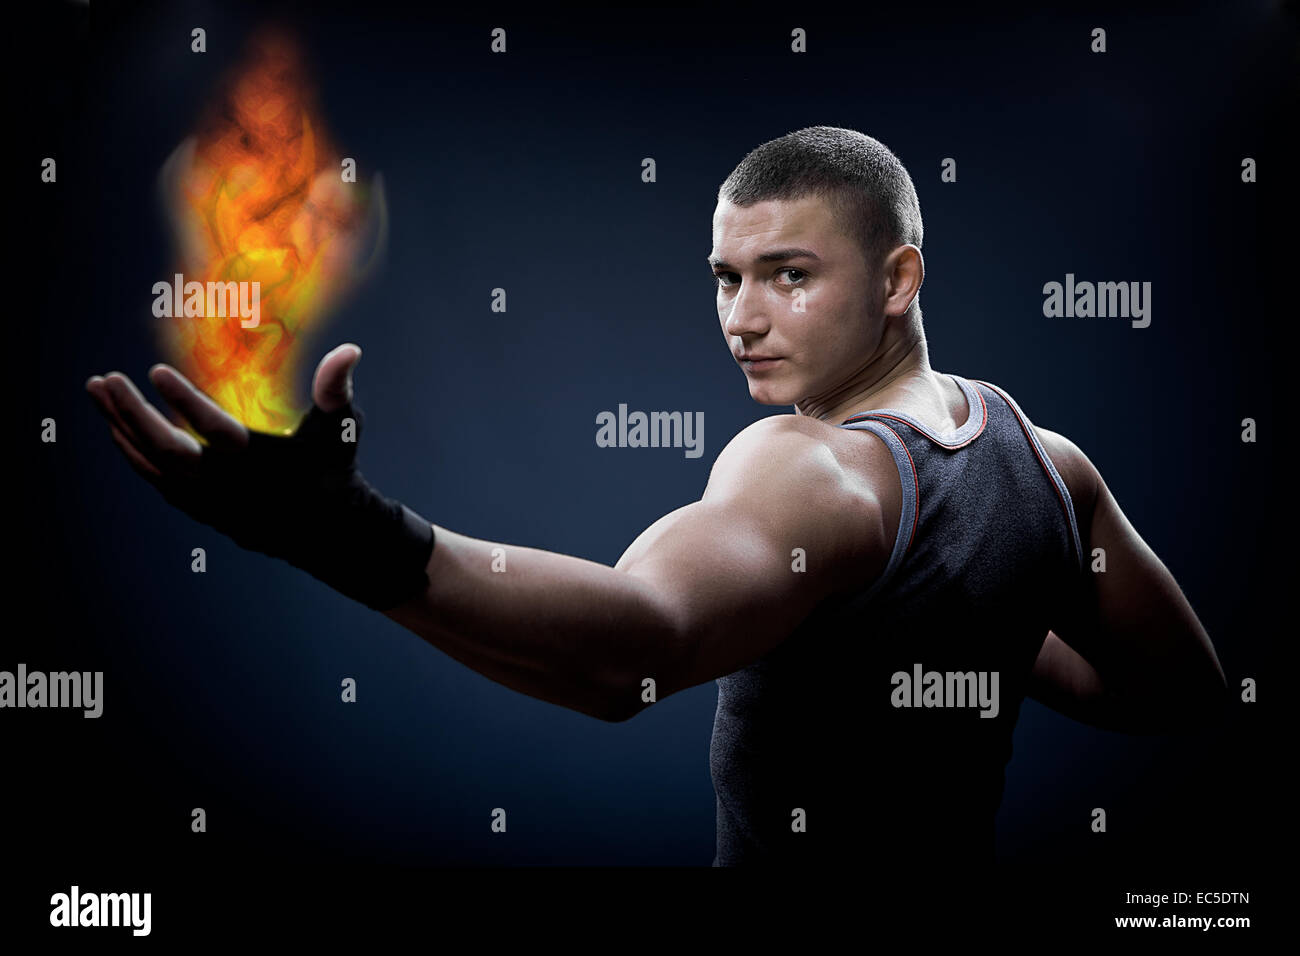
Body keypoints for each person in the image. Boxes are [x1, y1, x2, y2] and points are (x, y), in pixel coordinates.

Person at [85, 126, 1227, 867]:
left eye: (788, 274)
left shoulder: (807, 466)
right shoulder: (1044, 458)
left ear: (898, 279)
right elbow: (1175, 690)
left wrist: (349, 538)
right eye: (727, 278)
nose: (741, 316)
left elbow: (627, 657)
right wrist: (962, 634)